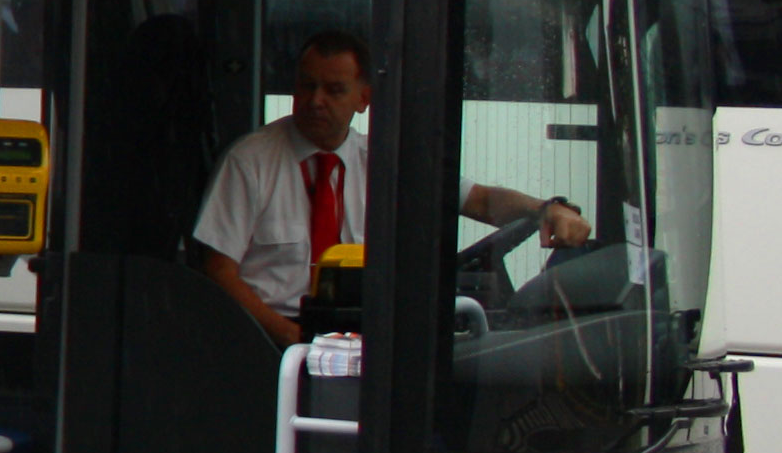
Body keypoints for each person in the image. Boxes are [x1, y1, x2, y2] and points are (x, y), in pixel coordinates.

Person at [192, 29, 590, 346]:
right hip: (267, 337)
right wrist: (288, 337)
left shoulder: (383, 163)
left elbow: (482, 201)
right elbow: (218, 272)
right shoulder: (248, 161)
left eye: (333, 90)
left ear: (364, 98)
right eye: (306, 85)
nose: (314, 101)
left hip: (364, 335)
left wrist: (545, 209)